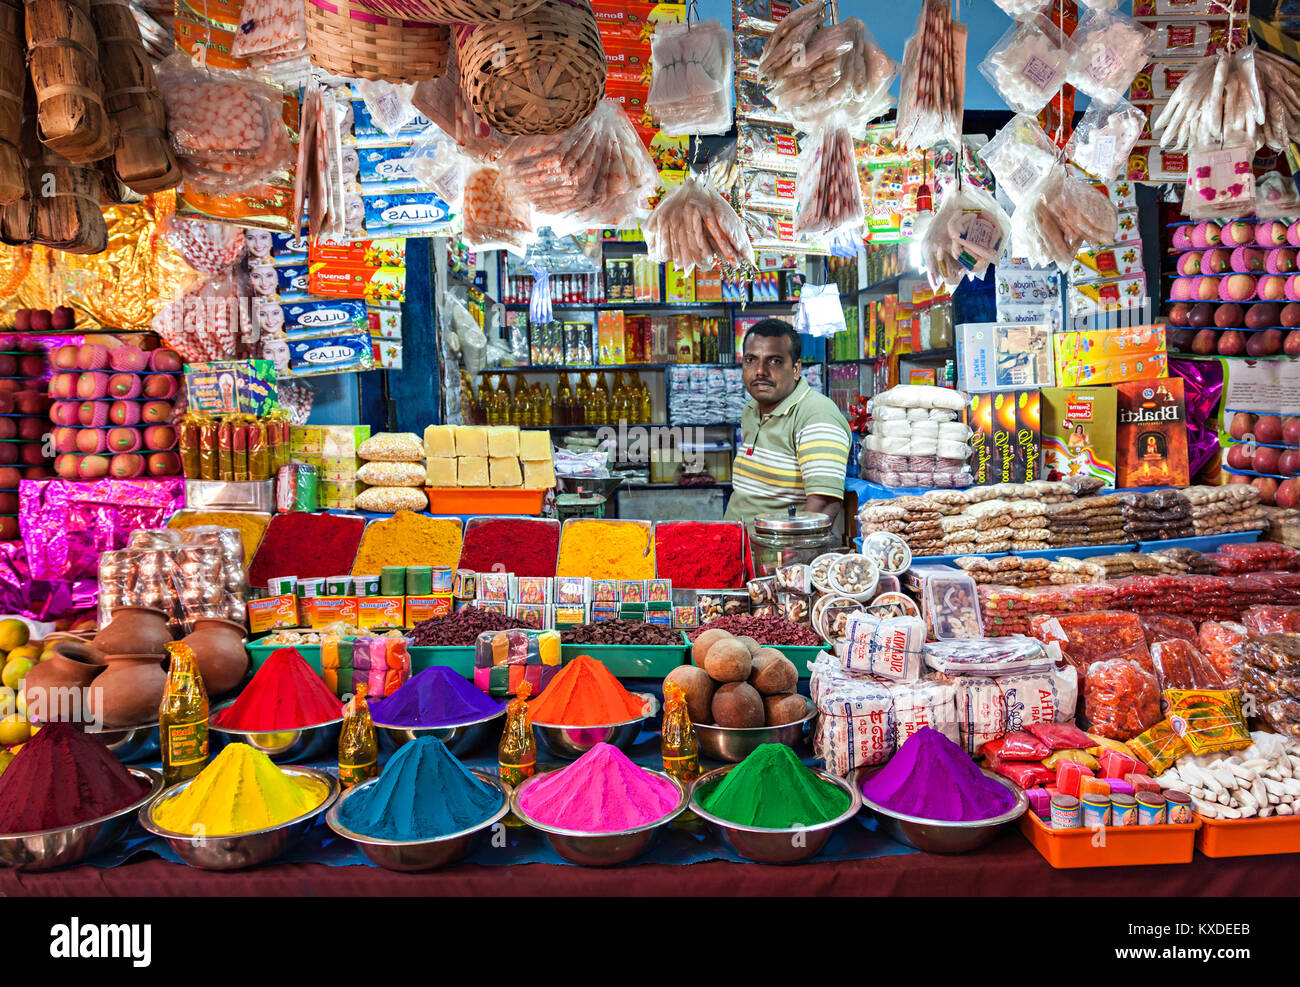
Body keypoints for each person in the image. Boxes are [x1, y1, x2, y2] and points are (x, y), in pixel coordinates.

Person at [724, 318, 851, 526]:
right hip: (737, 547)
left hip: (776, 553)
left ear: (796, 368)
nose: (760, 371)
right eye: (751, 360)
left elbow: (825, 504)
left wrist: (790, 556)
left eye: (775, 361)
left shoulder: (816, 414)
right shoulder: (752, 410)